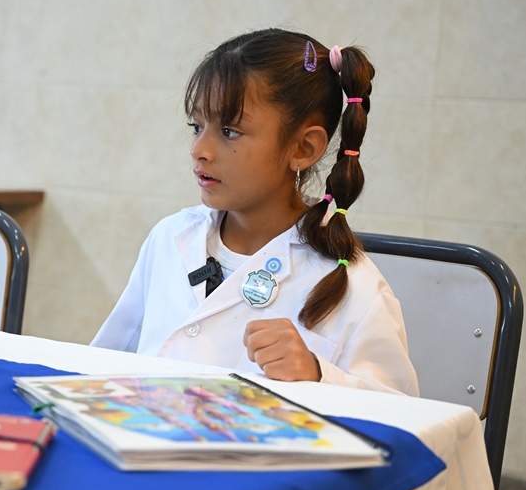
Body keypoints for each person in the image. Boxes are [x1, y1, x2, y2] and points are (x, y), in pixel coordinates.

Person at [91, 28, 418, 396]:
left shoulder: (352, 285)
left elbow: (401, 422)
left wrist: (318, 375)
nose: (199, 149)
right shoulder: (169, 239)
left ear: (304, 148)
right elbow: (105, 365)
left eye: (229, 131)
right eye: (197, 126)